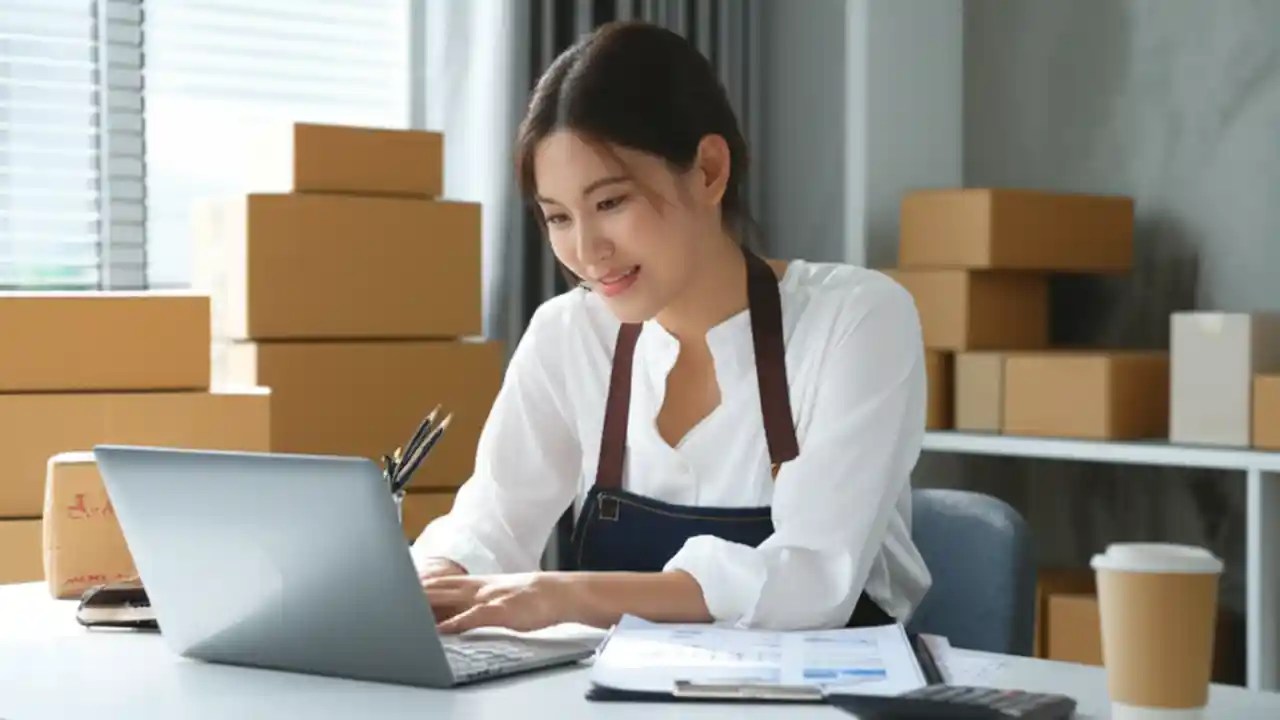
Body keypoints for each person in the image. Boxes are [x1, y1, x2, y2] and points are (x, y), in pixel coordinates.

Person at [411, 21, 931, 634]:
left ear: (709, 170)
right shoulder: (567, 335)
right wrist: (434, 576)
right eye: (557, 218)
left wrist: (566, 596)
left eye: (610, 204)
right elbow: (492, 521)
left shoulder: (858, 320)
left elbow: (812, 581)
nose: (586, 251)